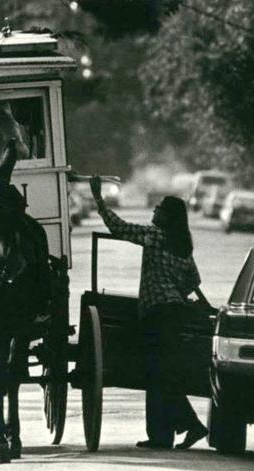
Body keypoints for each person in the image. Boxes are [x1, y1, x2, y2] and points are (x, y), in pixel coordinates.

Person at [89, 176, 210, 450]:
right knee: (163, 373)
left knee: (154, 372)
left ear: (167, 217)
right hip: (177, 313)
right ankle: (169, 433)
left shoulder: (154, 237)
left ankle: (180, 429)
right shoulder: (183, 248)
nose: (154, 211)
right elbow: (193, 283)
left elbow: (118, 227)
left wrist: (98, 199)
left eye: (159, 208)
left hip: (157, 314)